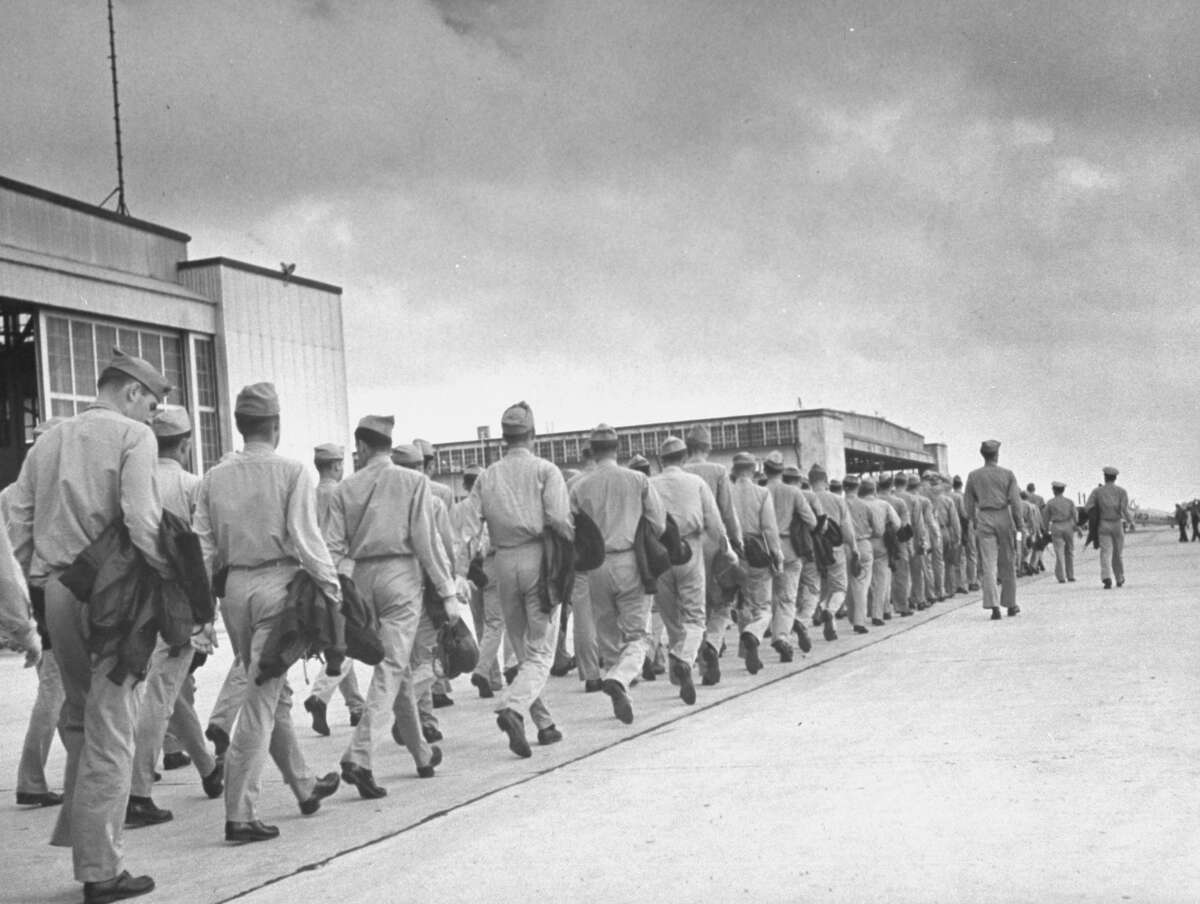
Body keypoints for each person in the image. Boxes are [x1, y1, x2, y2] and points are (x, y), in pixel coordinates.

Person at [7, 348, 170, 901]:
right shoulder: (134, 437)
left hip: (56, 591)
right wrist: (169, 586)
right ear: (130, 392)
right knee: (112, 731)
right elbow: (142, 519)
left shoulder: (48, 439)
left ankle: (81, 842)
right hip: (111, 597)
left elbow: (18, 520)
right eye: (152, 401)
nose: (154, 413)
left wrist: (33, 596)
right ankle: (101, 872)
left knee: (79, 721)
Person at [192, 382, 342, 843]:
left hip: (233, 590)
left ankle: (303, 786)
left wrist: (202, 608)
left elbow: (201, 544)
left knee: (271, 692)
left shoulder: (214, 476)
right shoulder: (292, 471)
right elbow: (306, 537)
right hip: (278, 588)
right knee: (260, 699)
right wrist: (332, 588)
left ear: (239, 426)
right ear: (275, 426)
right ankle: (239, 814)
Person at [326, 422, 453, 798]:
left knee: (398, 670)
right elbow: (425, 542)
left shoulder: (345, 487)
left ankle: (422, 754)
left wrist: (340, 588)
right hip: (402, 574)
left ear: (363, 447)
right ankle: (360, 755)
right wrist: (446, 592)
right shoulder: (413, 483)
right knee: (393, 667)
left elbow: (333, 546)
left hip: (361, 576)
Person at [126, 407, 222, 830]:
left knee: (173, 688)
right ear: (185, 444)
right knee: (162, 694)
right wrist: (206, 612)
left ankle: (207, 766)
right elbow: (199, 552)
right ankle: (137, 793)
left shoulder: (137, 480)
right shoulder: (191, 485)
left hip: (136, 598)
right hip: (178, 600)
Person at [469, 401, 574, 754]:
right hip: (538, 559)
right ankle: (512, 707)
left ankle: (543, 723)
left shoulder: (487, 475)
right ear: (532, 435)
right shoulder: (546, 470)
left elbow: (469, 523)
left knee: (521, 650)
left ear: (503, 438)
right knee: (542, 651)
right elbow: (559, 518)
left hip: (503, 561)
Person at [569, 423, 666, 723]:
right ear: (617, 448)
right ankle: (622, 678)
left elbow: (569, 528)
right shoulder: (637, 479)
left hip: (596, 565)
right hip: (630, 561)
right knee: (639, 635)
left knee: (607, 631)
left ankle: (616, 678)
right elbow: (659, 523)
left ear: (592, 451)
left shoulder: (579, 486)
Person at [5, 416, 65, 810]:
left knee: (58, 687)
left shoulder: (9, 493)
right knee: (56, 687)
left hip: (31, 597)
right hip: (46, 596)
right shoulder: (54, 492)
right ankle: (30, 778)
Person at [650, 435, 725, 703]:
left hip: (659, 554)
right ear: (683, 458)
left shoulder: (649, 484)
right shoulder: (696, 483)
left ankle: (677, 672)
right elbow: (714, 522)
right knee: (695, 617)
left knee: (671, 619)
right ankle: (684, 658)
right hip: (690, 549)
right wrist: (726, 549)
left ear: (660, 459)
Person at [305, 443, 365, 736]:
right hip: (341, 570)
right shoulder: (340, 494)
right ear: (337, 466)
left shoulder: (311, 495)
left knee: (339, 638)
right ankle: (320, 694)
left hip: (317, 571)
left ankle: (356, 707)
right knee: (350, 638)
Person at [682, 424, 743, 686]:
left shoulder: (681, 472)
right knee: (723, 600)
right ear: (708, 447)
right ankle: (713, 642)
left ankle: (701, 660)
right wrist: (736, 541)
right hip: (715, 542)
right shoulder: (718, 471)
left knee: (696, 606)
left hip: (687, 546)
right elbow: (727, 512)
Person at [727, 451, 783, 674]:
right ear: (753, 470)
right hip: (757, 550)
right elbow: (768, 527)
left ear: (734, 470)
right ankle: (754, 633)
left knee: (743, 603)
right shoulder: (762, 493)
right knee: (763, 607)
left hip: (733, 550)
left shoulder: (725, 492)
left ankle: (749, 651)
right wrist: (777, 554)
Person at [762, 453, 817, 659]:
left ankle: (753, 637)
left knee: (763, 598)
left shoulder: (760, 491)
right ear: (782, 470)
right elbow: (811, 521)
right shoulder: (793, 492)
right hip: (789, 548)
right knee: (787, 597)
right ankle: (782, 636)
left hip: (763, 548)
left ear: (765, 471)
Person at [963, 440, 1021, 620]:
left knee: (988, 564)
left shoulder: (973, 476)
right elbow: (1015, 502)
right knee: (1008, 562)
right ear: (996, 455)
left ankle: (993, 606)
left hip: (984, 518)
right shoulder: (1008, 474)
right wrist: (1019, 524)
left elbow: (968, 503)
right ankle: (1010, 604)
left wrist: (973, 520)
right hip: (1003, 516)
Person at [809, 466, 856, 641]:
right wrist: (854, 548)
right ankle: (830, 611)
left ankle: (825, 615)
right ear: (825, 481)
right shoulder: (837, 500)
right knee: (839, 588)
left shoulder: (805, 497)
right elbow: (847, 528)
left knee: (822, 588)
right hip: (835, 549)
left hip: (814, 550)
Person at [860, 478, 900, 626]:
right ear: (874, 490)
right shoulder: (883, 504)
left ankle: (861, 615)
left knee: (863, 581)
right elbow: (897, 524)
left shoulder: (856, 504)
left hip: (861, 543)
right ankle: (878, 613)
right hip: (880, 543)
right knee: (881, 580)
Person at [1086, 467, 1132, 589]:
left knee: (1105, 553)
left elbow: (1088, 507)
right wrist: (1131, 521)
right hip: (1117, 524)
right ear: (1115, 478)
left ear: (1104, 477)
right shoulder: (1122, 491)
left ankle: (1106, 577)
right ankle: (1119, 577)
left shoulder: (1097, 491)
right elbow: (1124, 509)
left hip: (1103, 524)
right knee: (1118, 553)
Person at [841, 475, 873, 635]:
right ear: (858, 488)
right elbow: (878, 528)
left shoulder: (839, 503)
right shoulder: (865, 505)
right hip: (863, 543)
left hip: (843, 546)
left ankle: (852, 616)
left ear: (843, 487)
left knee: (846, 584)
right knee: (861, 584)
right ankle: (859, 620)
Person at [1044, 482, 1078, 583]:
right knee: (1070, 551)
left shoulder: (1050, 502)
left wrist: (1046, 529)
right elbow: (1075, 516)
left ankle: (1061, 576)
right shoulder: (1069, 502)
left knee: (1059, 552)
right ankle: (1070, 575)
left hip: (1056, 526)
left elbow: (1045, 518)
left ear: (1054, 490)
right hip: (1068, 526)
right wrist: (1075, 526)